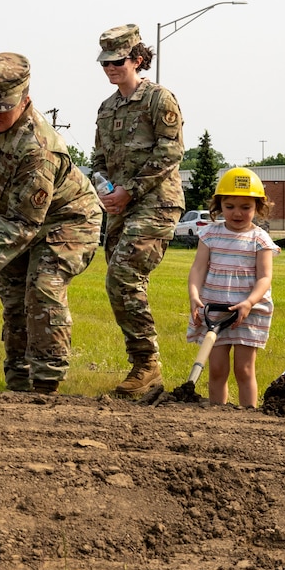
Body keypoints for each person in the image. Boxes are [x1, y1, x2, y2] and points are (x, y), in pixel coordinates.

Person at [0, 52, 104, 394]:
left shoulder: (39, 148)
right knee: (13, 297)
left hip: (67, 219)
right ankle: (18, 385)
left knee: (43, 287)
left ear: (25, 100)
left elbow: (23, 220)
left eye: (4, 109)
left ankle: (45, 384)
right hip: (12, 220)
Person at [91, 25, 186, 397]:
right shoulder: (107, 108)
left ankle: (147, 365)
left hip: (156, 203)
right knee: (121, 283)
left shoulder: (158, 99)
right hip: (119, 207)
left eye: (118, 61)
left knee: (122, 276)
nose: (111, 68)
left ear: (137, 59)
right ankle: (146, 371)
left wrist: (130, 190)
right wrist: (106, 190)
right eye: (106, 63)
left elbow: (171, 151)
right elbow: (98, 158)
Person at [185, 167, 278, 408]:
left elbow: (265, 278)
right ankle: (219, 414)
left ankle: (248, 415)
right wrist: (194, 296)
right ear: (219, 206)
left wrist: (248, 303)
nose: (237, 213)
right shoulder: (210, 234)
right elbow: (198, 269)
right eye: (230, 207)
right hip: (214, 309)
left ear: (258, 207)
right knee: (216, 367)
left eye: (245, 207)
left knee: (244, 369)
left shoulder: (260, 239)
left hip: (249, 310)